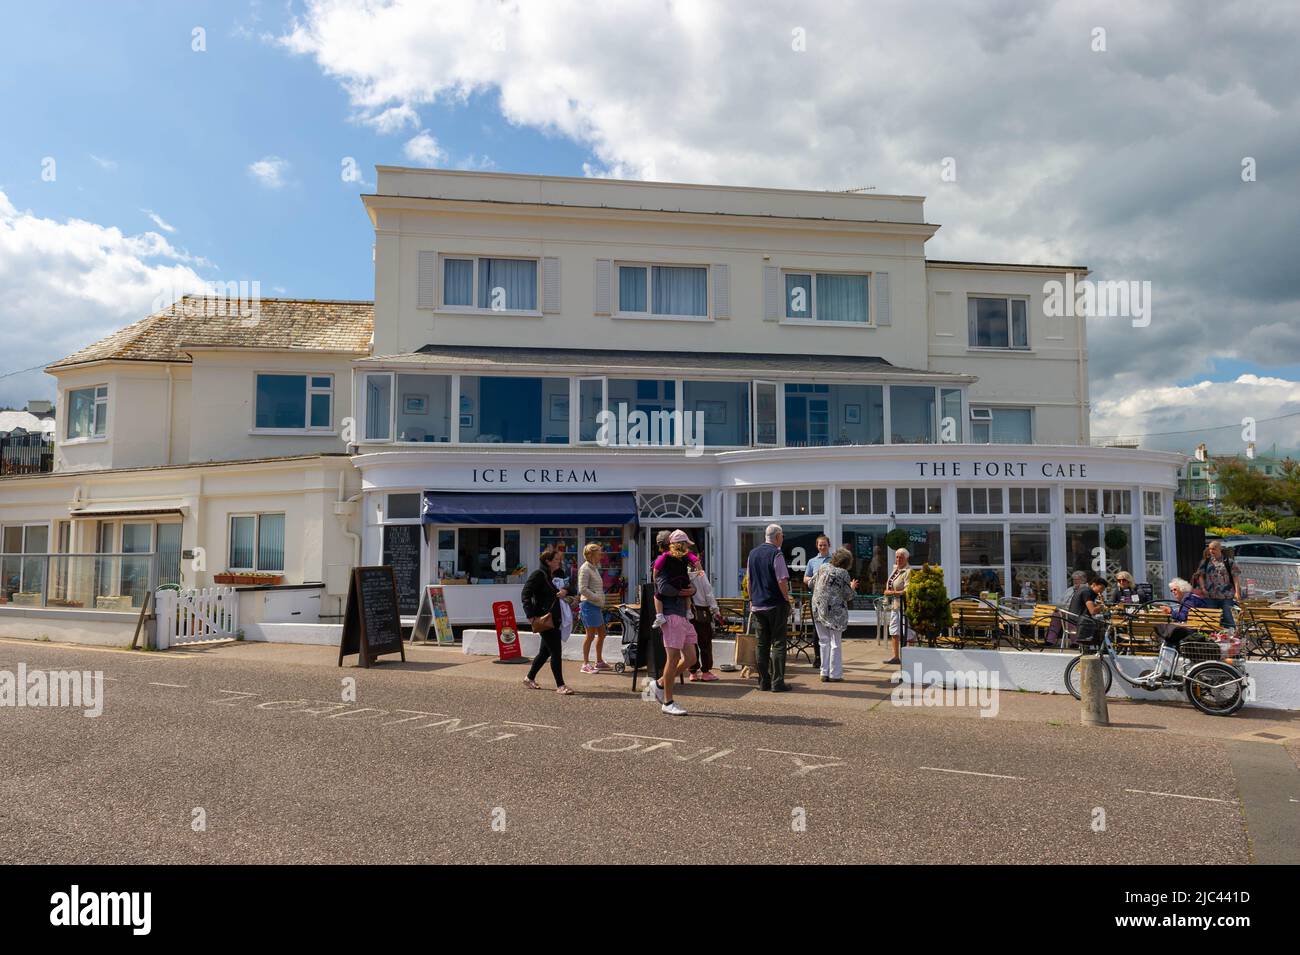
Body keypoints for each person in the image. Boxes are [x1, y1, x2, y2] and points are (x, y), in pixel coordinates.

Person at [648, 529, 698, 715]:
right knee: (673, 658)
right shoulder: (665, 562)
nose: (688, 549)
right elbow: (661, 588)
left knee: (691, 658)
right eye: (686, 545)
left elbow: (689, 584)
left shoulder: (679, 562)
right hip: (671, 615)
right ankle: (668, 702)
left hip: (682, 615)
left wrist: (690, 589)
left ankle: (660, 683)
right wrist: (682, 592)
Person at [521, 547, 574, 694]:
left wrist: (566, 591)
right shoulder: (539, 574)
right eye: (556, 559)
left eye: (559, 559)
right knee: (556, 651)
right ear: (547, 561)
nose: (559, 562)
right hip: (544, 619)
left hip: (557, 618)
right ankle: (561, 685)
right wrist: (530, 615)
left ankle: (529, 678)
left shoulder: (559, 574)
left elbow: (572, 587)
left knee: (545, 652)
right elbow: (525, 594)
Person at [746, 524, 791, 692]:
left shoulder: (753, 553)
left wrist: (751, 599)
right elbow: (782, 580)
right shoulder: (776, 553)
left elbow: (749, 580)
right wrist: (786, 600)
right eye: (782, 536)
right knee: (779, 642)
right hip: (775, 603)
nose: (782, 539)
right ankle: (777, 682)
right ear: (777, 536)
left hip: (758, 605)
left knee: (762, 644)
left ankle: (763, 681)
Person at [812, 547, 857, 682]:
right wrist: (852, 587)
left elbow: (811, 583)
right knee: (835, 642)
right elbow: (848, 595)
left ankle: (823, 672)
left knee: (823, 641)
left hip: (819, 608)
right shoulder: (843, 573)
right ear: (846, 562)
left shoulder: (823, 567)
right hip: (835, 612)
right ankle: (835, 674)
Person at [686, 544, 722, 682]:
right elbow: (708, 593)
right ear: (697, 559)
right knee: (705, 643)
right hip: (702, 612)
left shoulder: (683, 575)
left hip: (688, 612)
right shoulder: (700, 574)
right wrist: (715, 610)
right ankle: (706, 672)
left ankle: (693, 671)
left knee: (691, 642)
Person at [577, 542, 611, 673]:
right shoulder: (585, 568)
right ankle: (585, 664)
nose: (601, 556)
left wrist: (599, 599)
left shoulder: (594, 567)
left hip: (595, 606)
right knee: (590, 635)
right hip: (588, 605)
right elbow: (582, 589)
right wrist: (597, 597)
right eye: (599, 553)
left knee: (602, 633)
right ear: (591, 554)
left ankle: (599, 661)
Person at [1196, 540, 1241, 628]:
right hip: (1210, 596)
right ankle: (1213, 638)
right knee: (1211, 620)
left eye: (1214, 549)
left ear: (1220, 549)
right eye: (1209, 549)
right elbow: (1200, 575)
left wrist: (1237, 592)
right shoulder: (1205, 562)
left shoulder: (1228, 562)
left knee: (1228, 618)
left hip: (1226, 596)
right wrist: (1203, 588)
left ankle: (1232, 638)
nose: (1211, 551)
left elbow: (1236, 577)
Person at [802, 534, 831, 669]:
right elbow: (805, 579)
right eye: (820, 545)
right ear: (817, 546)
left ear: (828, 545)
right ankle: (818, 657)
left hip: (831, 600)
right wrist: (813, 579)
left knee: (830, 629)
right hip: (816, 600)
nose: (822, 547)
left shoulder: (834, 560)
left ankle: (830, 657)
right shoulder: (812, 561)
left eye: (824, 544)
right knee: (817, 630)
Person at [882, 547, 912, 666]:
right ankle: (896, 657)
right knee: (894, 630)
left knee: (908, 631)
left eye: (901, 557)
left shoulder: (908, 571)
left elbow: (908, 590)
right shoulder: (895, 569)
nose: (898, 559)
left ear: (906, 558)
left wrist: (892, 593)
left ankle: (910, 656)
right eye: (897, 557)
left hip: (904, 606)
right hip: (895, 605)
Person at [1047, 571, 1088, 646]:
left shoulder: (1086, 590)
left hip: (1078, 613)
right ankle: (1050, 640)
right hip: (1064, 611)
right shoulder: (1069, 590)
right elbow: (1061, 601)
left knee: (1070, 617)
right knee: (1055, 615)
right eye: (1073, 580)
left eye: (1077, 579)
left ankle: (1075, 642)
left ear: (1083, 580)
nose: (1075, 581)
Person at [1067, 575, 1107, 645]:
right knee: (1104, 625)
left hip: (1076, 617)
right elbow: (1093, 611)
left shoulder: (1086, 590)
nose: (1102, 591)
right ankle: (1098, 646)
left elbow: (1088, 606)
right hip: (1078, 620)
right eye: (1101, 588)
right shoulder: (1087, 592)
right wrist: (1102, 605)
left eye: (1103, 590)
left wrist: (1098, 605)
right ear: (1094, 585)